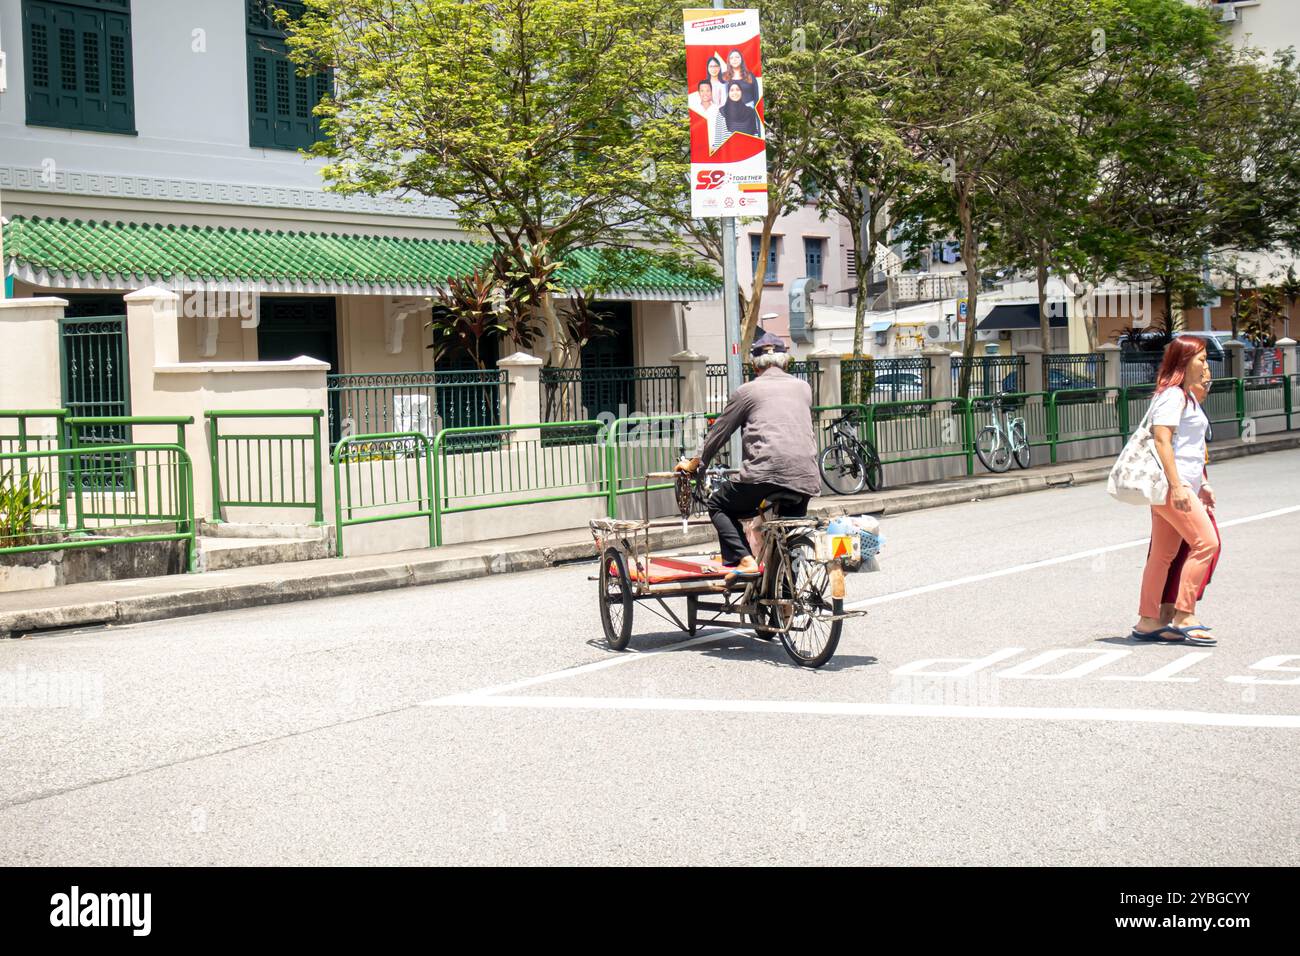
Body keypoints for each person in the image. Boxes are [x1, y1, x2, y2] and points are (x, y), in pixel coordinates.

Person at [674, 332, 820, 580]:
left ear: (754, 365)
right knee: (789, 535)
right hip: (805, 476)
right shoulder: (803, 388)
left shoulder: (747, 392)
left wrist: (695, 463)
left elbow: (719, 433)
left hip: (764, 475)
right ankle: (786, 601)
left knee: (718, 504)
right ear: (786, 361)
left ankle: (745, 560)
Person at [1132, 336, 1219, 646]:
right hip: (1173, 488)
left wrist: (1202, 484)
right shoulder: (1172, 396)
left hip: (1178, 487)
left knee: (1162, 556)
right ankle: (1184, 614)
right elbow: (1162, 441)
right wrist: (1179, 486)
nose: (1206, 366)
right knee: (1206, 543)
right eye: (1201, 359)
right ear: (1183, 362)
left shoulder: (1186, 397)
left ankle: (1147, 620)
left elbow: (1191, 448)